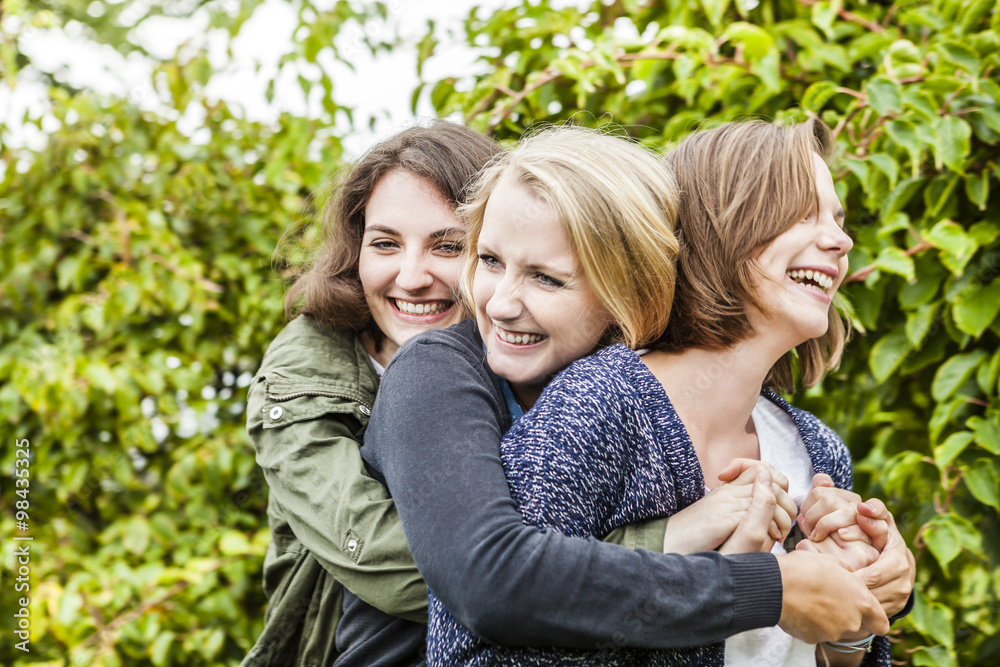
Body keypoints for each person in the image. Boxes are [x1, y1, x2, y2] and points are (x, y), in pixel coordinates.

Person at [361, 126, 908, 663]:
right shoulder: (476, 380)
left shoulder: (816, 448)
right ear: (726, 232)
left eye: (547, 278)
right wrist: (752, 582)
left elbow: (818, 641)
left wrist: (862, 603)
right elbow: (490, 583)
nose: (842, 240)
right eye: (489, 261)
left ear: (626, 286)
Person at [240, 120, 501, 666]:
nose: (411, 277)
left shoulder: (520, 350)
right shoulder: (305, 372)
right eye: (385, 244)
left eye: (447, 246)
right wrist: (626, 564)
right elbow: (387, 562)